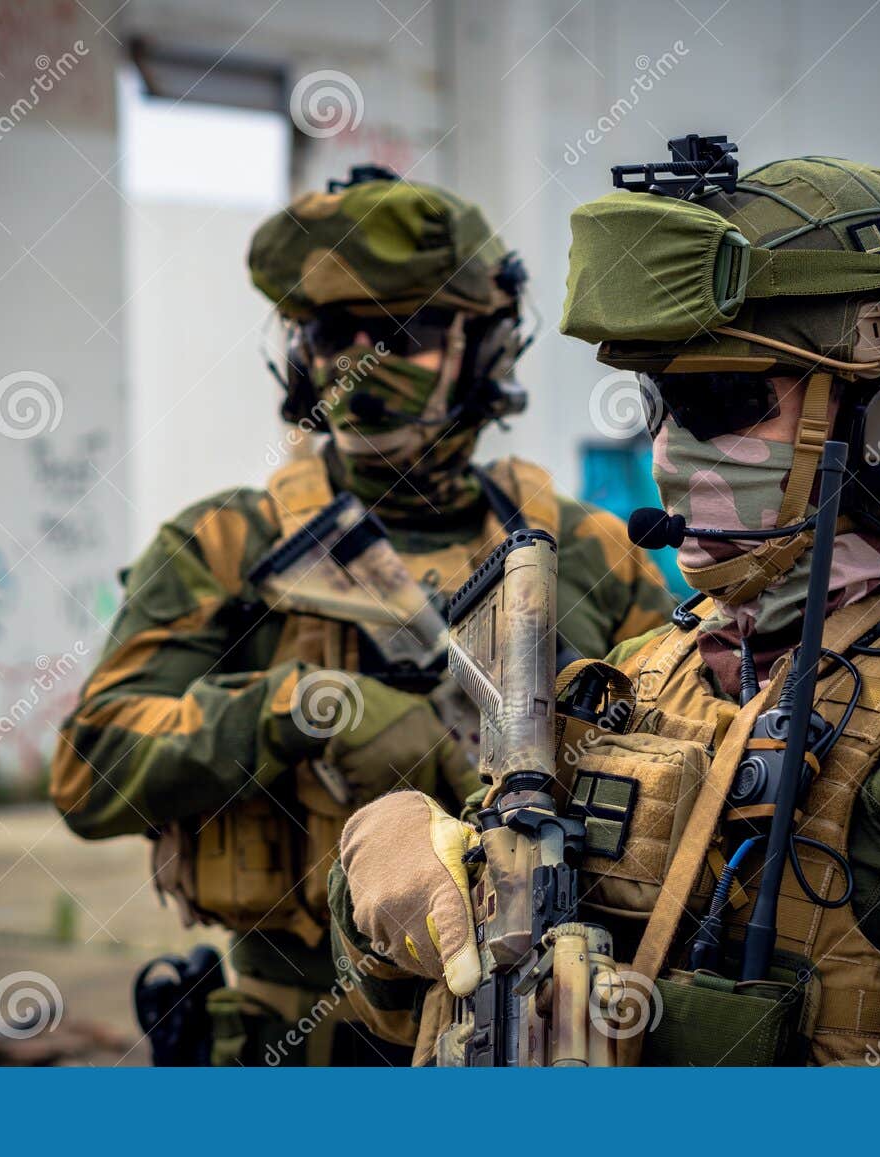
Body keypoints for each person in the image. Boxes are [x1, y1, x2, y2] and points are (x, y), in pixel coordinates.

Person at [329, 144, 880, 1066]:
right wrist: (382, 885)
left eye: (722, 397)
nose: (668, 451)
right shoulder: (631, 685)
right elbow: (413, 1018)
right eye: (658, 400)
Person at [48, 165, 675, 1066]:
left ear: (486, 346)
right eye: (334, 331)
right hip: (290, 1036)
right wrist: (301, 707)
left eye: (408, 332)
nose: (363, 361)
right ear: (300, 352)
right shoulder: (229, 543)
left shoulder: (586, 552)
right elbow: (90, 766)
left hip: (522, 1021)